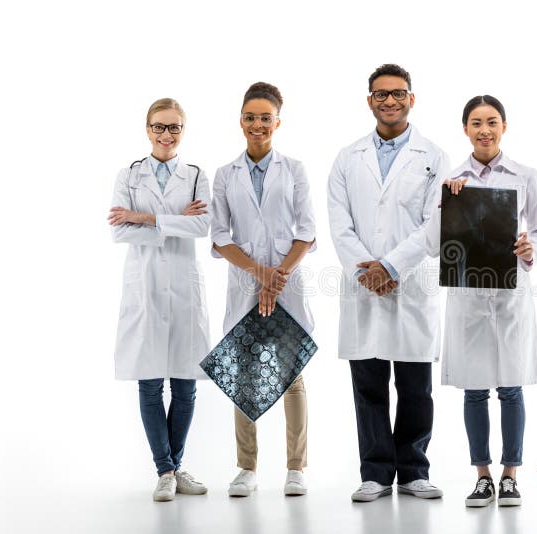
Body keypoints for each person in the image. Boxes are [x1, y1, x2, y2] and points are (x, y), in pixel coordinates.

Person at [327, 64, 449, 502]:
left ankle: (415, 469)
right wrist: (368, 271)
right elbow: (339, 224)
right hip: (364, 286)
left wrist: (392, 267)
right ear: (369, 101)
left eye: (398, 93)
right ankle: (376, 472)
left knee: (416, 385)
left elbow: (435, 225)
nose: (390, 101)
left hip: (410, 283)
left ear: (411, 99)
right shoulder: (347, 157)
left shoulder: (434, 157)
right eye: (381, 94)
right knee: (369, 384)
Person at [427, 95, 537, 507]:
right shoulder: (451, 179)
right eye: (476, 122)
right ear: (465, 129)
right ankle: (482, 476)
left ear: (504, 127)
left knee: (512, 388)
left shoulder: (525, 175)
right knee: (475, 390)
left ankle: (511, 475)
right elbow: (434, 240)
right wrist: (447, 201)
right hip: (469, 295)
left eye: (492, 121)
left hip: (510, 292)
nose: (484, 129)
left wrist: (532, 249)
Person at [210, 82, 316, 497]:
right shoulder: (224, 175)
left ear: (277, 121)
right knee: (246, 377)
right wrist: (260, 275)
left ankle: (296, 468)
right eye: (250, 117)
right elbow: (220, 236)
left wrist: (277, 277)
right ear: (241, 121)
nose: (258, 125)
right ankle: (247, 467)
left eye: (265, 118)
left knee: (291, 377)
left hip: (287, 284)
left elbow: (306, 232)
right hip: (244, 283)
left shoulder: (295, 170)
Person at [109, 98, 211, 502]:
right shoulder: (129, 175)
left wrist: (146, 218)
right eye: (159, 127)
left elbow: (202, 226)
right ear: (147, 129)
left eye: (174, 127)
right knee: (151, 384)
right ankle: (166, 470)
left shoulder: (197, 174)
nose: (167, 135)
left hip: (185, 289)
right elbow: (119, 231)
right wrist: (175, 222)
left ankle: (175, 466)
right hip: (146, 286)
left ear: (183, 130)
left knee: (186, 387)